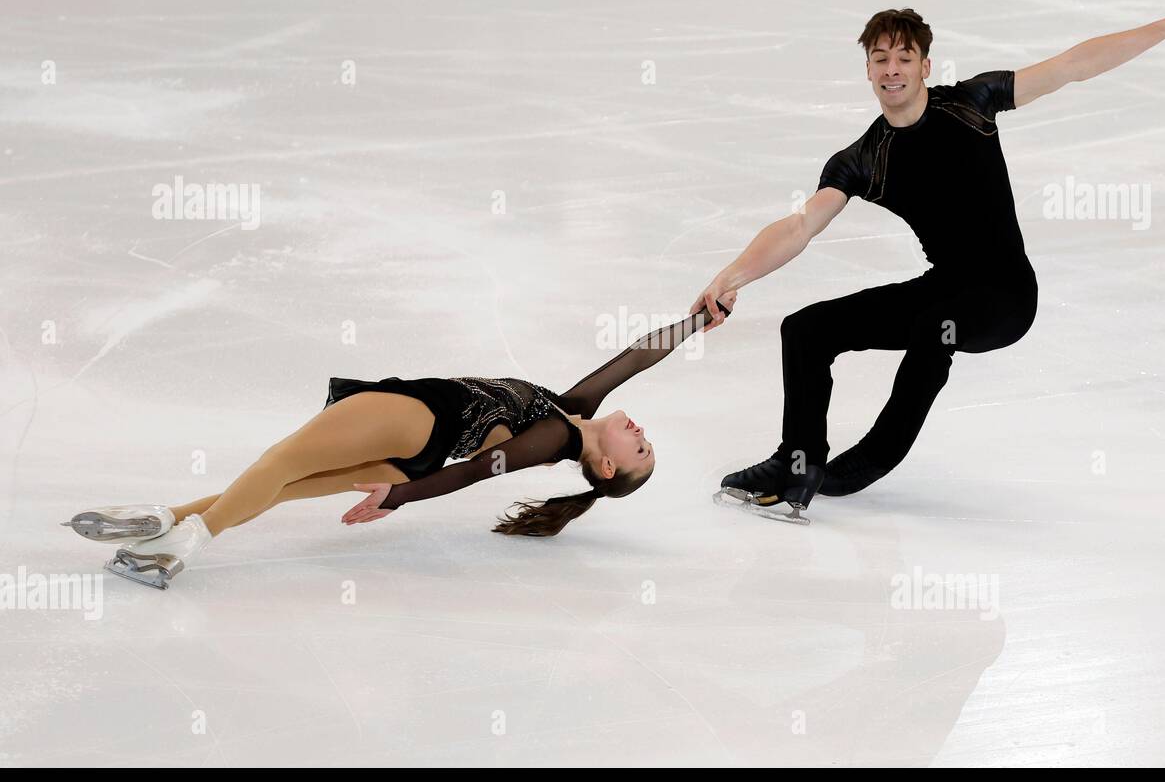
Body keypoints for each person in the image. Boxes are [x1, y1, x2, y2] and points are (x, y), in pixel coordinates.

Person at [693, 3, 1165, 523]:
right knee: (807, 329)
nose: (892, 69)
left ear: (925, 65)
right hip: (945, 288)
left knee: (940, 326)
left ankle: (871, 459)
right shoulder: (863, 159)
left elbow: (1073, 66)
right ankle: (800, 463)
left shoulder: (971, 103)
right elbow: (800, 226)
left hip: (1005, 298)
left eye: (904, 58)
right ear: (867, 70)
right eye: (880, 59)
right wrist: (730, 278)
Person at [64, 303, 728, 588]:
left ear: (604, 465)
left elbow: (478, 470)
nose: (642, 433)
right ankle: (169, 519)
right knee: (283, 484)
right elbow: (637, 357)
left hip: (415, 424)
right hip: (410, 455)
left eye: (640, 451)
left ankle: (183, 542)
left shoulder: (554, 435)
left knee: (278, 463)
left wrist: (403, 496)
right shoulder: (574, 409)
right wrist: (698, 321)